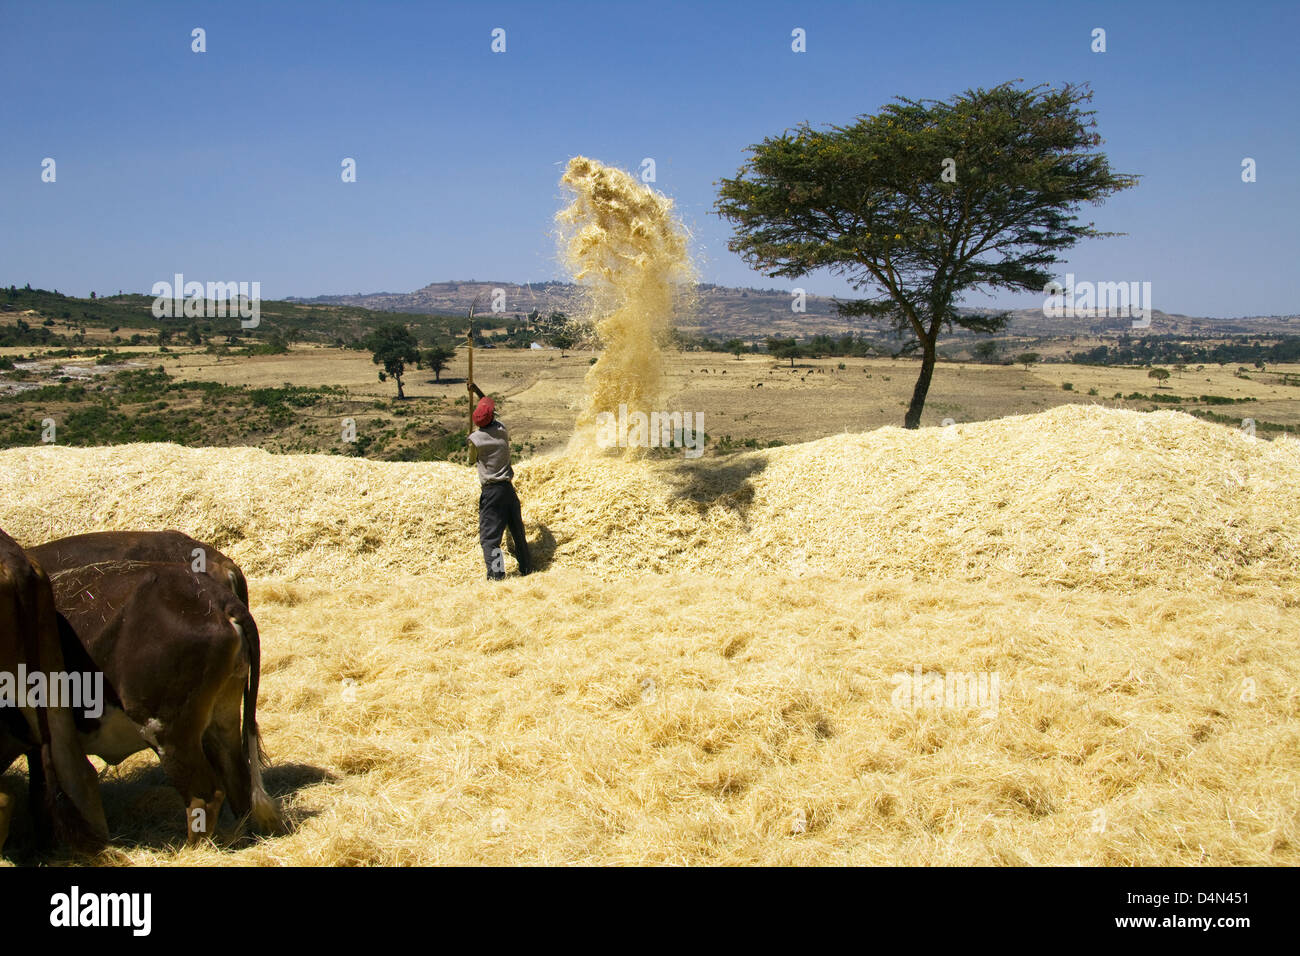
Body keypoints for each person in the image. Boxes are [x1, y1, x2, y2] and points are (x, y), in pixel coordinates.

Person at [467, 388, 532, 580]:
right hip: (508, 490)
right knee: (518, 533)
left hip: (491, 492)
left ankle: (497, 577)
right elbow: (489, 409)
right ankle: (527, 569)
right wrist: (479, 394)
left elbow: (471, 461)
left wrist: (470, 440)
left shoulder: (475, 440)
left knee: (490, 539)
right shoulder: (502, 431)